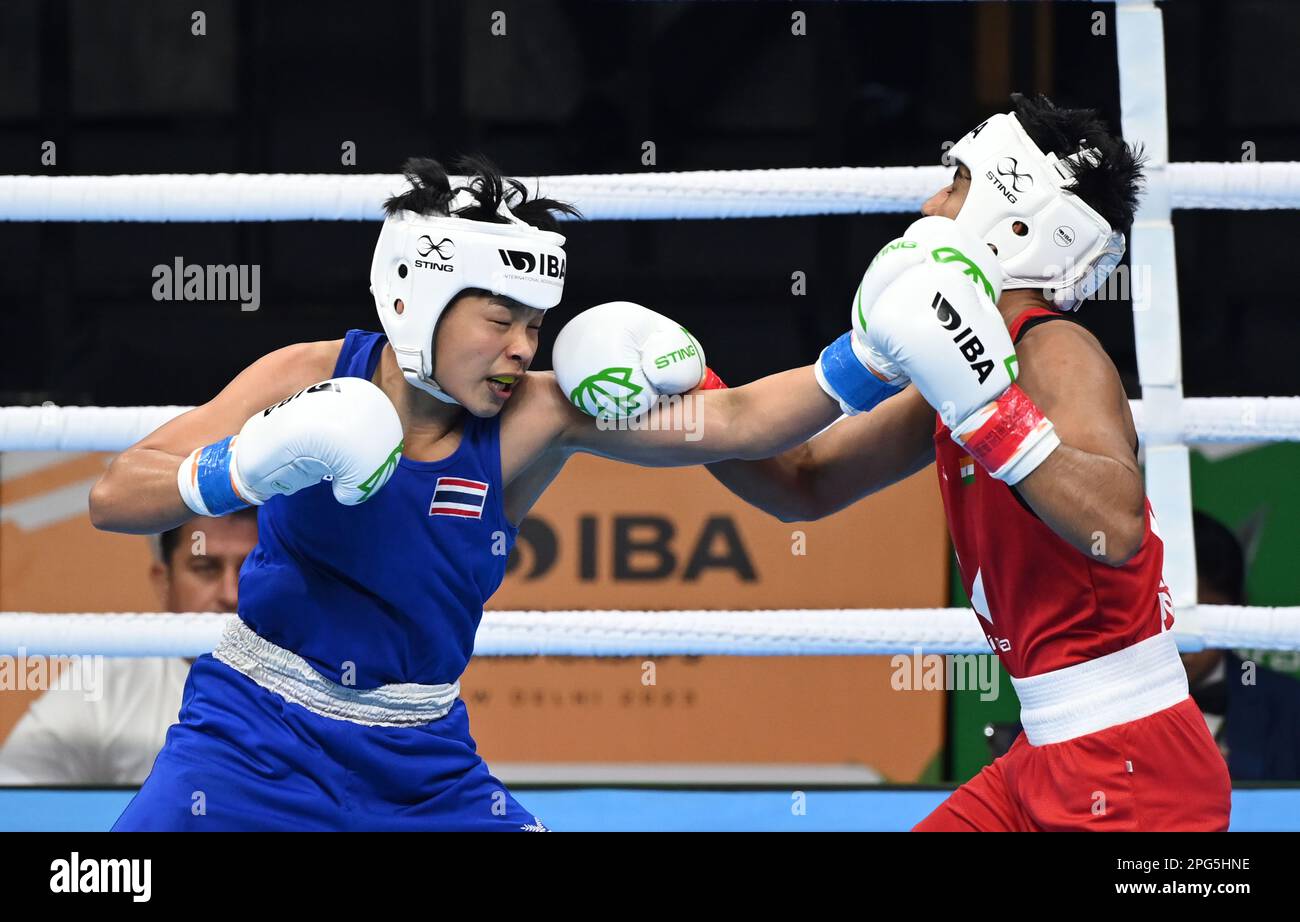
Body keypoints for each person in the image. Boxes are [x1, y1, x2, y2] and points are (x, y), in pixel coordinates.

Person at [89, 155, 913, 830]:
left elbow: (741, 421)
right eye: (499, 319)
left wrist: (877, 353)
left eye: (536, 325)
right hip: (246, 741)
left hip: (424, 766)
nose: (522, 347)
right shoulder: (305, 374)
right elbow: (113, 495)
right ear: (420, 299)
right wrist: (235, 469)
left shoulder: (543, 414)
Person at [706, 93, 1232, 830]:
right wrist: (688, 402)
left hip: (1132, 767)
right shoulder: (955, 369)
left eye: (956, 182)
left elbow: (1115, 526)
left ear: (1018, 224)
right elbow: (806, 480)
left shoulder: (1056, 353)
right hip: (1043, 758)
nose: (931, 200)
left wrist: (991, 414)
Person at [0, 510, 256, 785]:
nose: (230, 594)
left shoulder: (306, 675)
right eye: (206, 567)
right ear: (163, 582)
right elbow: (14, 794)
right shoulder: (111, 680)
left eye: (250, 569)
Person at [1184, 510, 1300, 781]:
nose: (1181, 636)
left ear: (1239, 610)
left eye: (1204, 612)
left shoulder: (1290, 707)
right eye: (1163, 610)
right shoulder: (1097, 702)